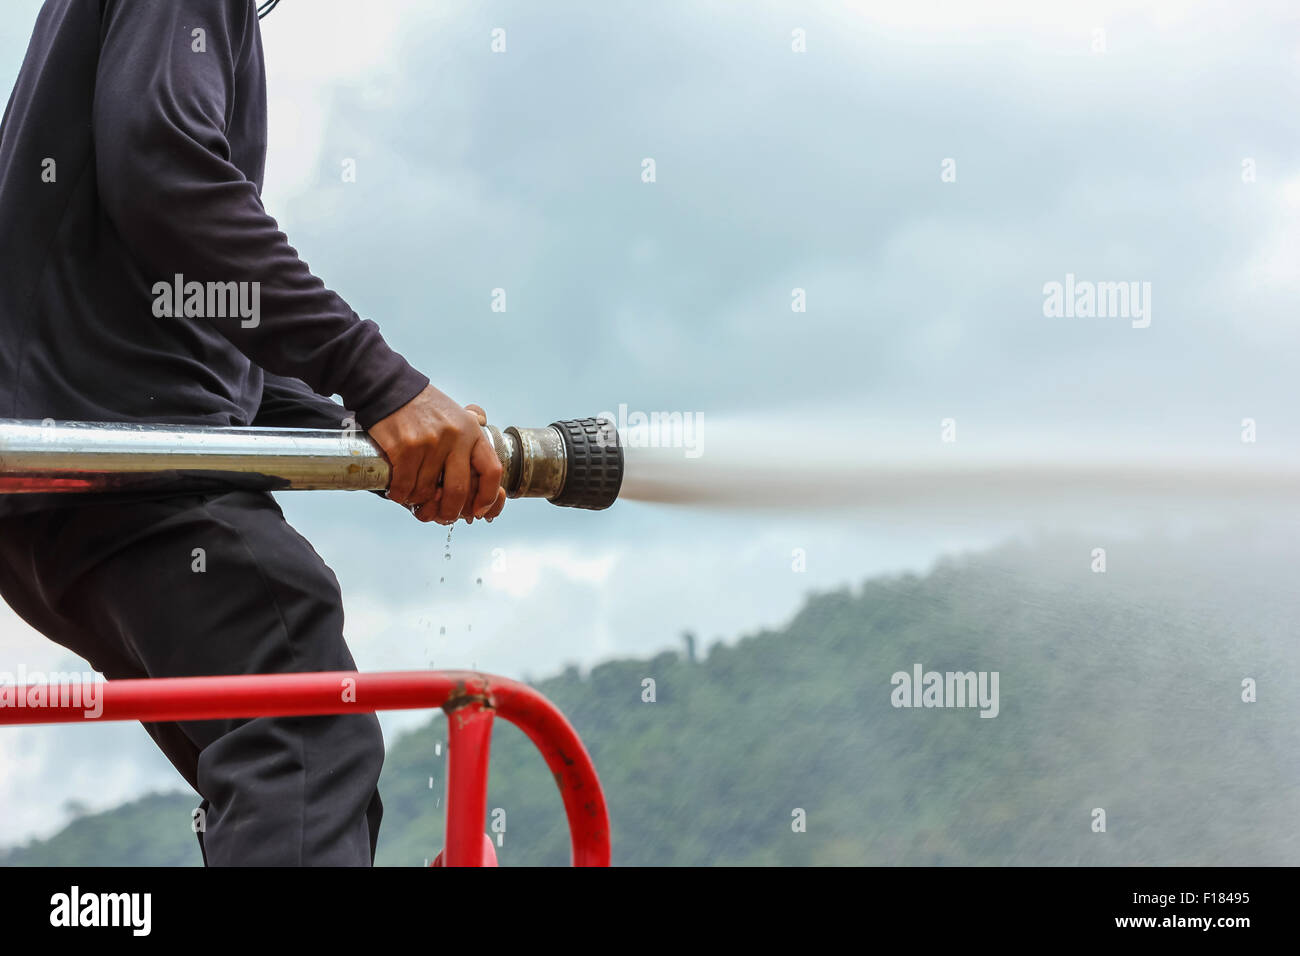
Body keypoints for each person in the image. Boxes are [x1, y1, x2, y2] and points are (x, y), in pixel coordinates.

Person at [0, 0, 504, 865]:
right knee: (303, 727)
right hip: (123, 470)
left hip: (54, 478)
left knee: (280, 766)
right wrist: (379, 380)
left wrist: (368, 433)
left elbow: (178, 305)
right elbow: (163, 173)